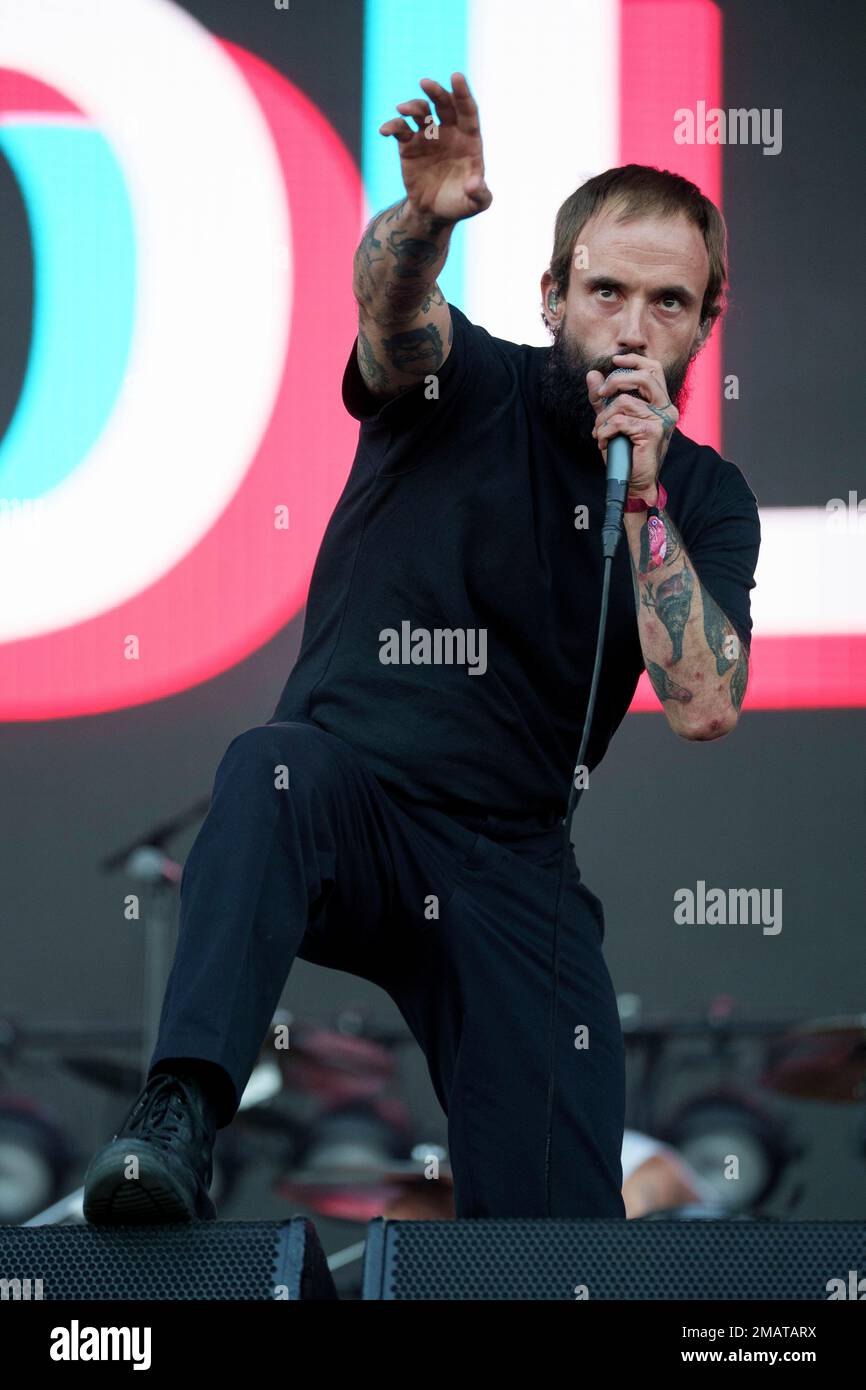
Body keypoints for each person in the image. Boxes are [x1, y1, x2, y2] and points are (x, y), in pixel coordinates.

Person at [83, 72, 760, 1225]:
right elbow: (393, 321)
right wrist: (425, 226)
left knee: (557, 1225)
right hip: (356, 802)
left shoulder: (701, 496)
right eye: (605, 292)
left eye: (664, 302)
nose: (631, 328)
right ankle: (177, 1119)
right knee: (268, 766)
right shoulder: (469, 381)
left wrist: (641, 498)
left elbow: (704, 704)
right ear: (551, 295)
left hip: (509, 863)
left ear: (705, 319)